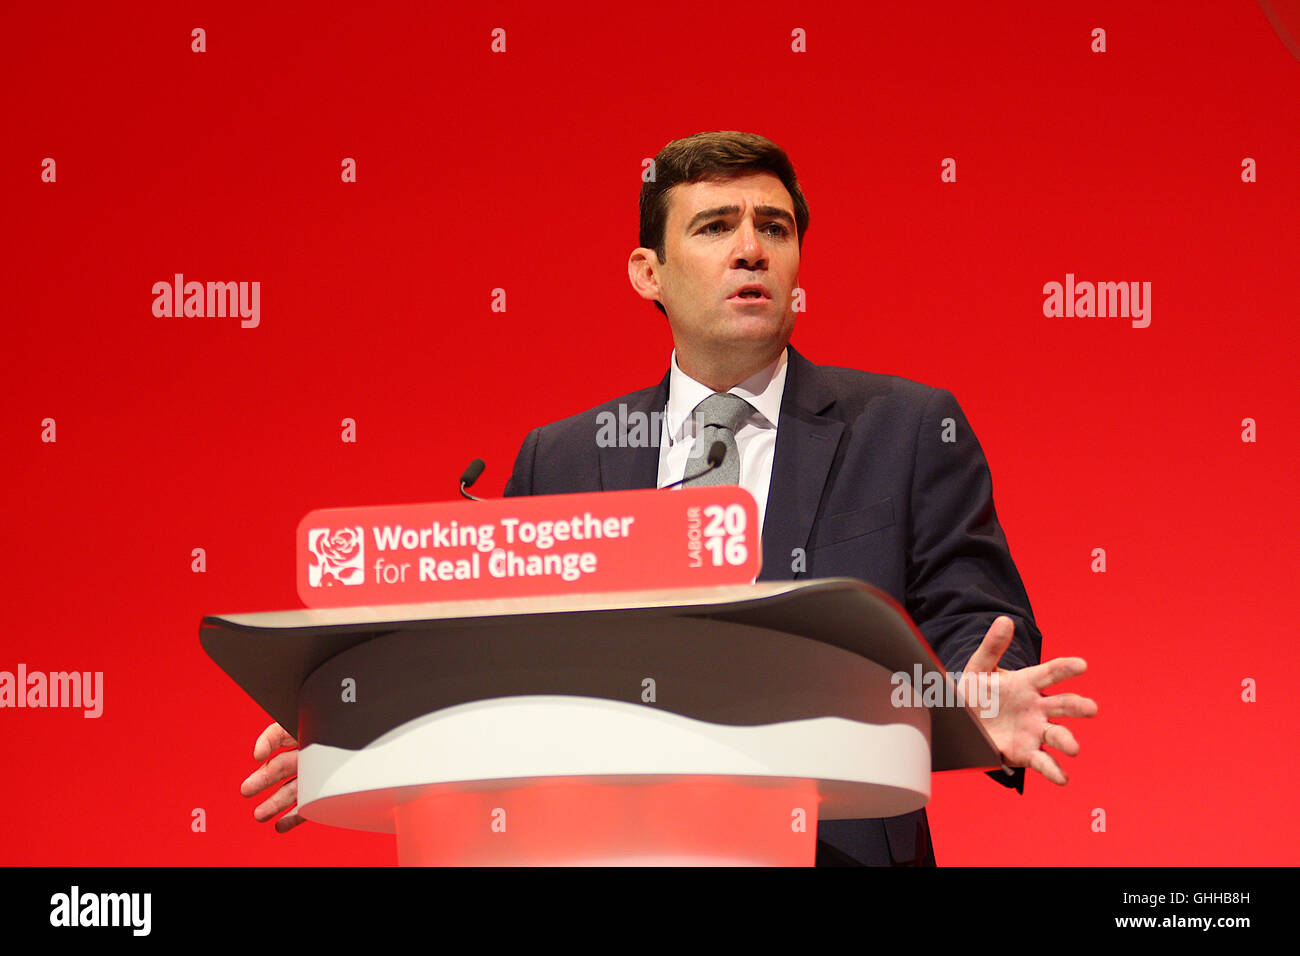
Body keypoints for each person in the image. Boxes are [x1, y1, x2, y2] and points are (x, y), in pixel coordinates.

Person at [242, 130, 1097, 864]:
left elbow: (975, 618)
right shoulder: (563, 457)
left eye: (775, 227)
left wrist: (973, 691)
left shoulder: (904, 429)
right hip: (600, 850)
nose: (752, 249)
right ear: (648, 272)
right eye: (717, 226)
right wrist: (360, 720)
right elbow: (500, 664)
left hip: (833, 848)